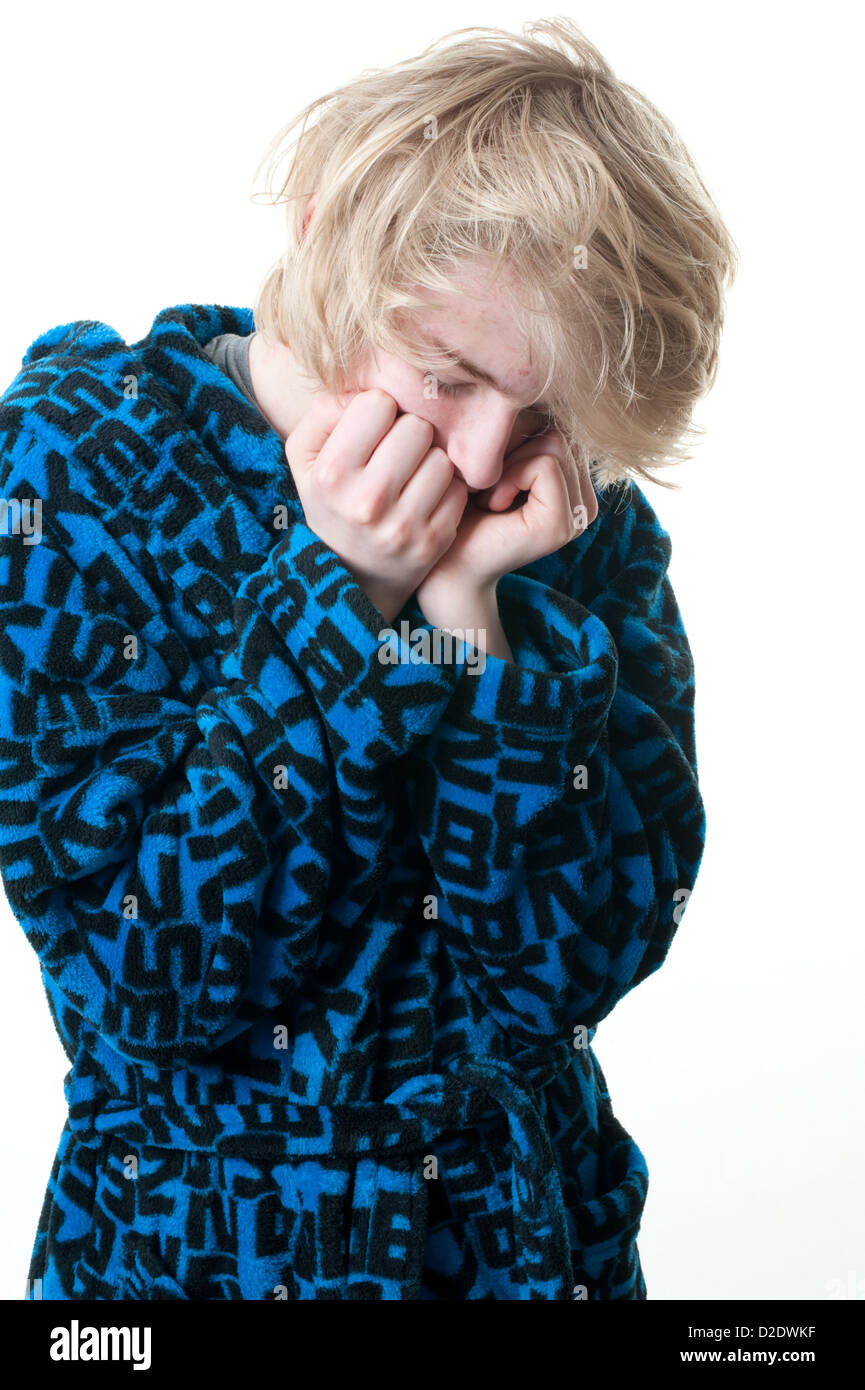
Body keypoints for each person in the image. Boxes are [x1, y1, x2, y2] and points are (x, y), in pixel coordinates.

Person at [0, 17, 736, 1300]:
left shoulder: (582, 522)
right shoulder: (63, 477)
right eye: (449, 376)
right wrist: (346, 602)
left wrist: (475, 632)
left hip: (529, 1250)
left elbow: (571, 981)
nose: (482, 459)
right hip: (190, 1272)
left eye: (548, 414)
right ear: (324, 238)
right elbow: (151, 987)